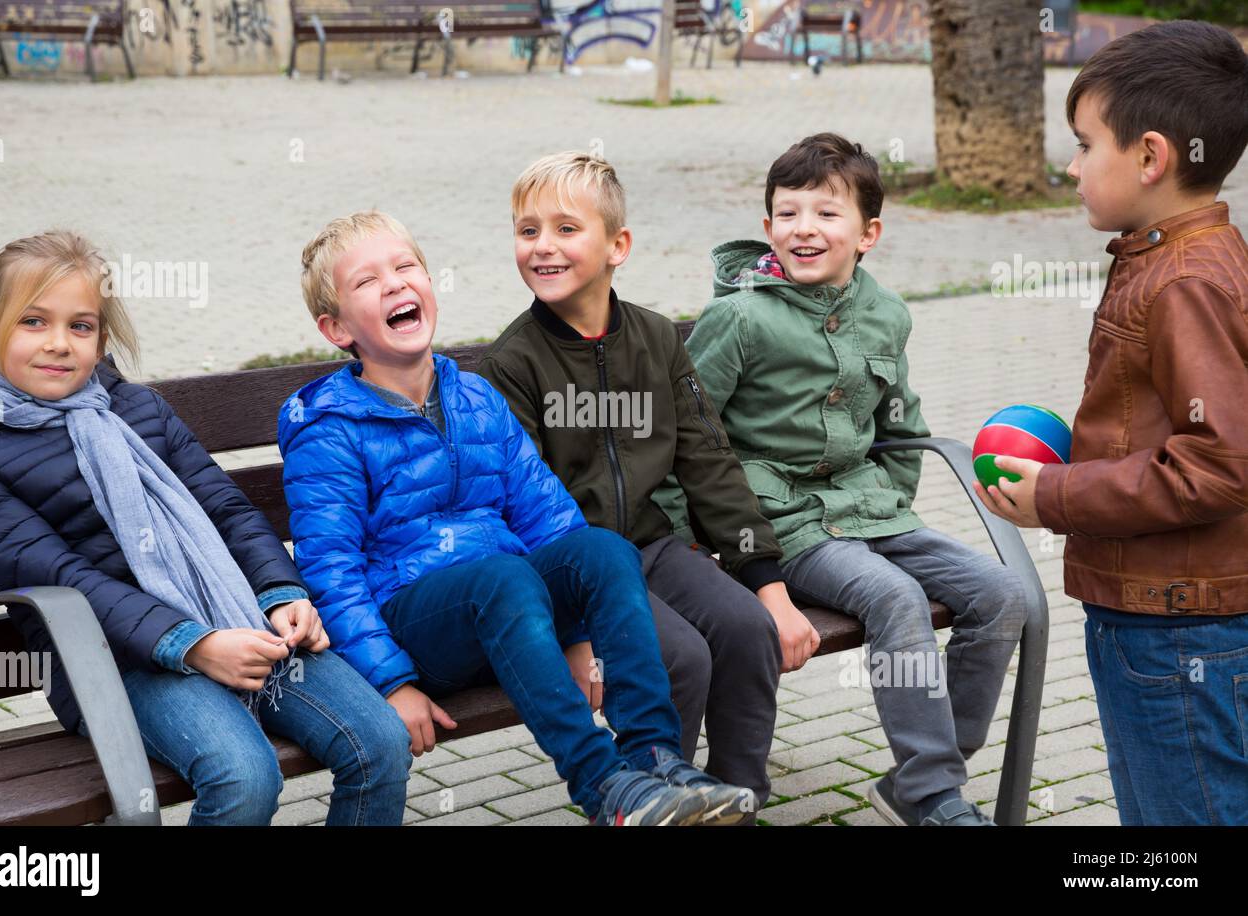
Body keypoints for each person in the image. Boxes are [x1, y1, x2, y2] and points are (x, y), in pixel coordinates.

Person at [278, 210, 754, 824]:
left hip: (512, 607)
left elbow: (548, 518)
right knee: (502, 577)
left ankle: (656, 760)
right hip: (417, 625)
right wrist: (393, 684)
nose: (395, 283)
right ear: (337, 327)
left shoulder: (475, 397)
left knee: (603, 549)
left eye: (405, 267)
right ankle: (604, 786)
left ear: (429, 283)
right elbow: (330, 570)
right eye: (367, 281)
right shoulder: (330, 428)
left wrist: (577, 637)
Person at [0, 230, 412, 825]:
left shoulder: (138, 410)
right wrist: (192, 644)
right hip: (112, 664)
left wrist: (282, 593)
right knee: (244, 777)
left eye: (80, 326)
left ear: (101, 340)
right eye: (33, 322)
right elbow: (62, 577)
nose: (58, 343)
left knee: (380, 742)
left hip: (237, 619)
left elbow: (227, 510)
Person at [687, 134, 1033, 826]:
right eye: (788, 214)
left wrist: (894, 500)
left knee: (1004, 594)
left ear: (868, 234)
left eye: (826, 213)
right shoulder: (739, 318)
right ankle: (935, 797)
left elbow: (902, 421)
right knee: (895, 596)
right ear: (767, 227)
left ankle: (918, 780)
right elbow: (686, 432)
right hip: (783, 523)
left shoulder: (885, 313)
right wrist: (693, 539)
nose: (804, 229)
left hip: (873, 509)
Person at [477, 151, 819, 817]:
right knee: (680, 657)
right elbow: (512, 509)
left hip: (654, 547)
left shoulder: (657, 339)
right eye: (527, 231)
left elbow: (710, 463)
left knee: (749, 629)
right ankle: (649, 807)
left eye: (566, 229)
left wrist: (769, 585)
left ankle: (736, 802)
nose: (543, 246)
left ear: (618, 246)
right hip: (577, 572)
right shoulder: (511, 365)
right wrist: (573, 632)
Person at [976, 21, 1248, 826]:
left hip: (1176, 630)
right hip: (1170, 614)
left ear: (1151, 156)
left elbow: (1219, 465)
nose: (1071, 166)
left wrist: (1054, 495)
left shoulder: (1183, 282)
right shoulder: (1183, 256)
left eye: (1084, 144)